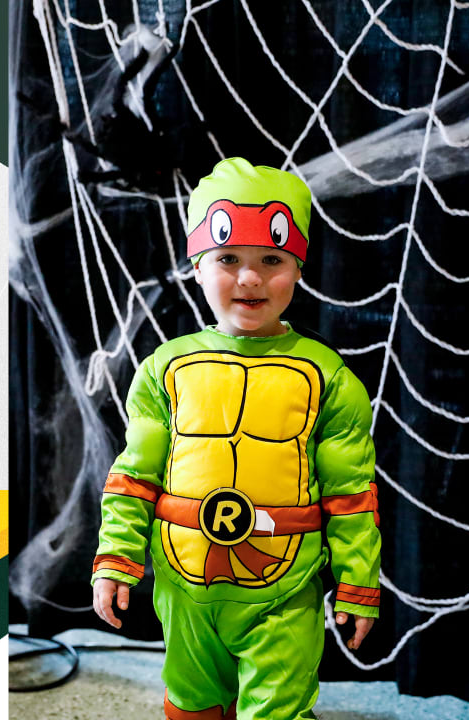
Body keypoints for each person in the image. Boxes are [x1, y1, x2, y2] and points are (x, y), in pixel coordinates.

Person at [91, 158, 382, 720]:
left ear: (297, 268)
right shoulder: (162, 370)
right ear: (197, 268)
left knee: (278, 709)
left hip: (284, 590)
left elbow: (351, 493)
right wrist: (116, 558)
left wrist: (357, 581)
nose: (250, 279)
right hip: (184, 588)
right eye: (228, 259)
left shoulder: (330, 377)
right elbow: (133, 477)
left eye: (271, 260)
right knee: (194, 703)